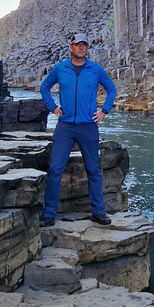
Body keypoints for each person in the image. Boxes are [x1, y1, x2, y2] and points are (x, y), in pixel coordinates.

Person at [39, 32, 117, 227]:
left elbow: (112, 89)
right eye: (78, 44)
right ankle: (49, 214)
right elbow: (44, 87)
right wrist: (53, 107)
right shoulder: (61, 68)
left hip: (88, 127)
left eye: (84, 45)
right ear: (71, 47)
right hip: (65, 126)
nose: (81, 47)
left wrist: (104, 111)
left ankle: (98, 212)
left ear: (87, 48)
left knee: (93, 170)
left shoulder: (95, 69)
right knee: (55, 168)